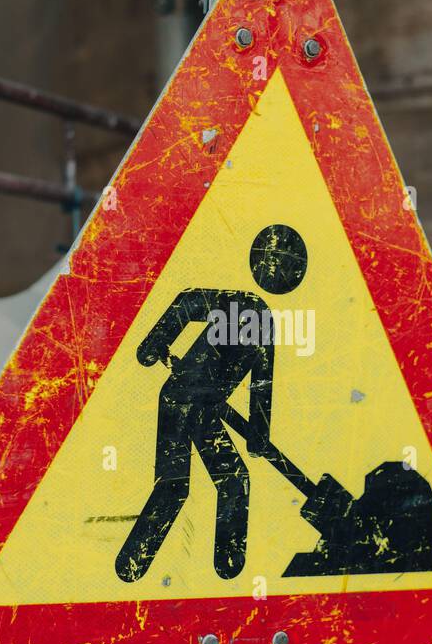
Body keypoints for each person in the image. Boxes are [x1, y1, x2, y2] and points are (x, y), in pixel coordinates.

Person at [116, 224, 308, 581]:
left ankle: (227, 569)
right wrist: (153, 345)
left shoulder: (263, 322)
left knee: (233, 481)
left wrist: (258, 435)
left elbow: (261, 386)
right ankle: (131, 565)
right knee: (176, 485)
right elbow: (188, 303)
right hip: (179, 400)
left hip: (206, 410)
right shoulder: (245, 304)